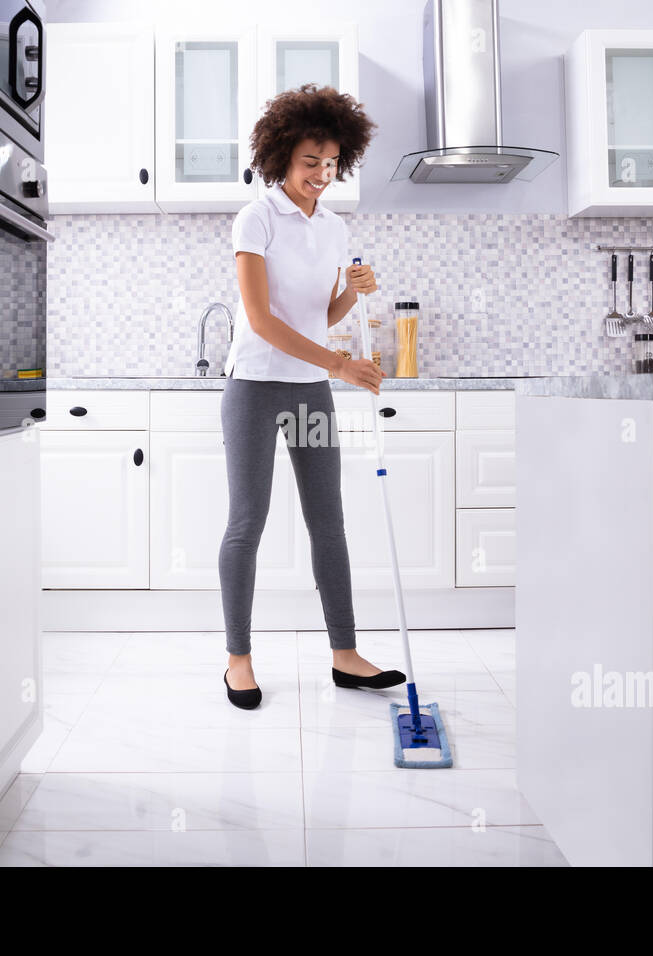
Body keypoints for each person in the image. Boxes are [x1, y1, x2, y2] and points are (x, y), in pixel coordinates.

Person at [219, 84, 404, 710]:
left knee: (329, 522)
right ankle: (238, 659)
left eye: (330, 164)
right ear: (281, 157)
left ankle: (345, 655)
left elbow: (318, 315)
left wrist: (353, 292)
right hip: (254, 386)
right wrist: (343, 365)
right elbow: (264, 320)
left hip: (308, 392)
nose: (321, 176)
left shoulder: (334, 227)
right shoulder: (256, 217)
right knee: (248, 522)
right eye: (309, 164)